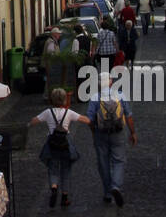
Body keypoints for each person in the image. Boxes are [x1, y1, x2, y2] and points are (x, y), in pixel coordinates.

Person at [29, 87, 92, 208]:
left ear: (52, 100)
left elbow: (34, 121)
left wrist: (28, 125)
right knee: (66, 169)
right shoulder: (69, 113)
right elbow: (84, 119)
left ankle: (54, 187)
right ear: (64, 100)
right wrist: (93, 121)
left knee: (52, 168)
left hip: (51, 142)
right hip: (65, 143)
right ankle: (64, 197)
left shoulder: (48, 112)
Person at [88, 72, 137, 206]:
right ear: (111, 82)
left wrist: (94, 133)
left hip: (101, 133)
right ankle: (116, 186)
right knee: (119, 160)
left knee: (103, 163)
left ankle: (107, 193)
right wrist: (132, 133)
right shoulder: (120, 95)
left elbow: (90, 120)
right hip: (118, 132)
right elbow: (128, 116)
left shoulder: (95, 97)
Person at [42, 26, 62, 99]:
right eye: (58, 34)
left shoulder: (53, 41)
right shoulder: (51, 42)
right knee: (50, 81)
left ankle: (49, 95)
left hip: (52, 65)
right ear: (54, 34)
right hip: (51, 65)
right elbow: (50, 54)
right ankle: (48, 96)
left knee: (50, 81)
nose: (59, 35)